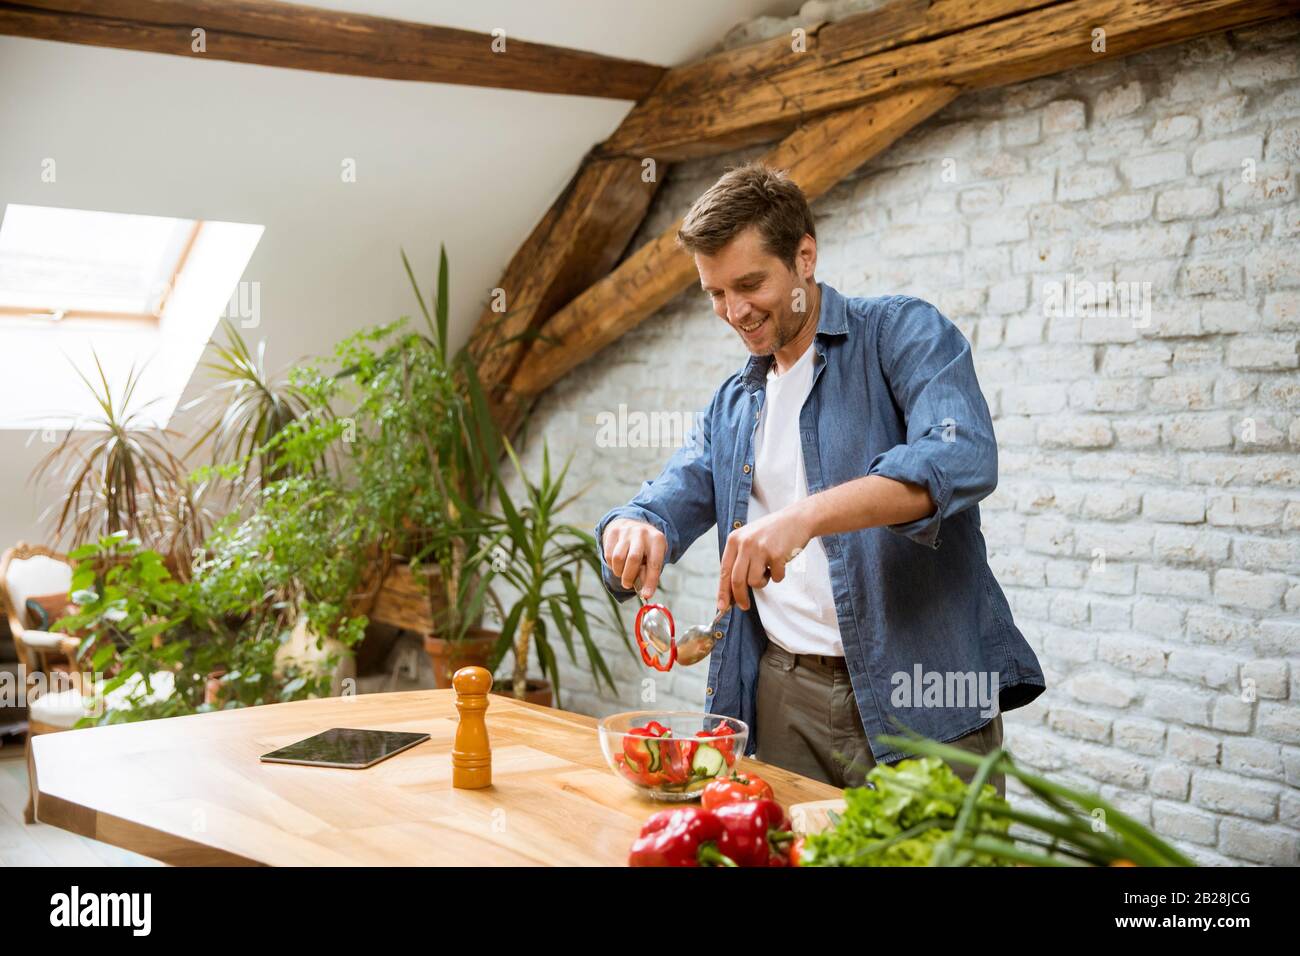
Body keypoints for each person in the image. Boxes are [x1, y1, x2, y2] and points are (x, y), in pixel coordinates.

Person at [596, 162, 1045, 797]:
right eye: (716, 293)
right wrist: (632, 525)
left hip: (920, 692)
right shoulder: (734, 402)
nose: (735, 311)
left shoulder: (900, 333)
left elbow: (961, 456)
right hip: (782, 698)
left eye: (750, 283)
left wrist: (802, 518)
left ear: (804, 256)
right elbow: (668, 496)